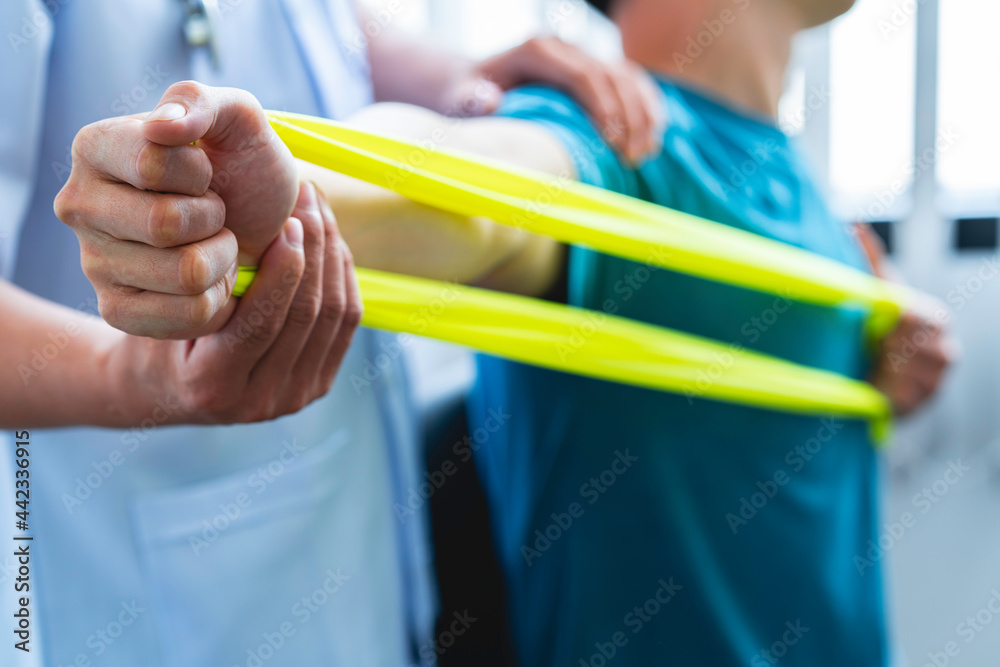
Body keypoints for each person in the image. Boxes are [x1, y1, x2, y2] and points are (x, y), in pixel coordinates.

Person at [0, 1, 660, 664]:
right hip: (161, 590)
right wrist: (131, 377)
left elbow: (310, 23)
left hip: (362, 542)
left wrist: (454, 76)